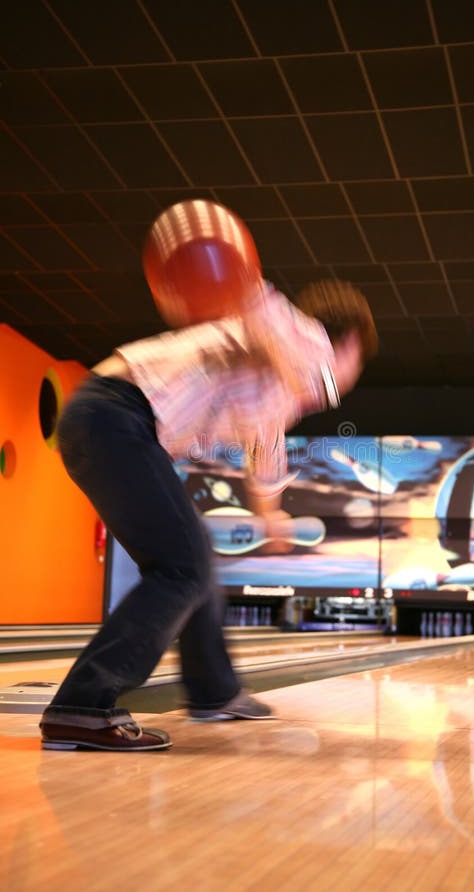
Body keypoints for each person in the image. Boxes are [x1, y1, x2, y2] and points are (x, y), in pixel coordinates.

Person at [39, 279, 377, 752]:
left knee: (196, 562)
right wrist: (234, 268)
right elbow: (263, 307)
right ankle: (83, 706)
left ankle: (214, 692)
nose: (351, 374)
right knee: (184, 568)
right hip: (116, 416)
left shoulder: (274, 379)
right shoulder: (304, 341)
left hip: (103, 419)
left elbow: (265, 445)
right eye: (357, 362)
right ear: (350, 343)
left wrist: (271, 515)